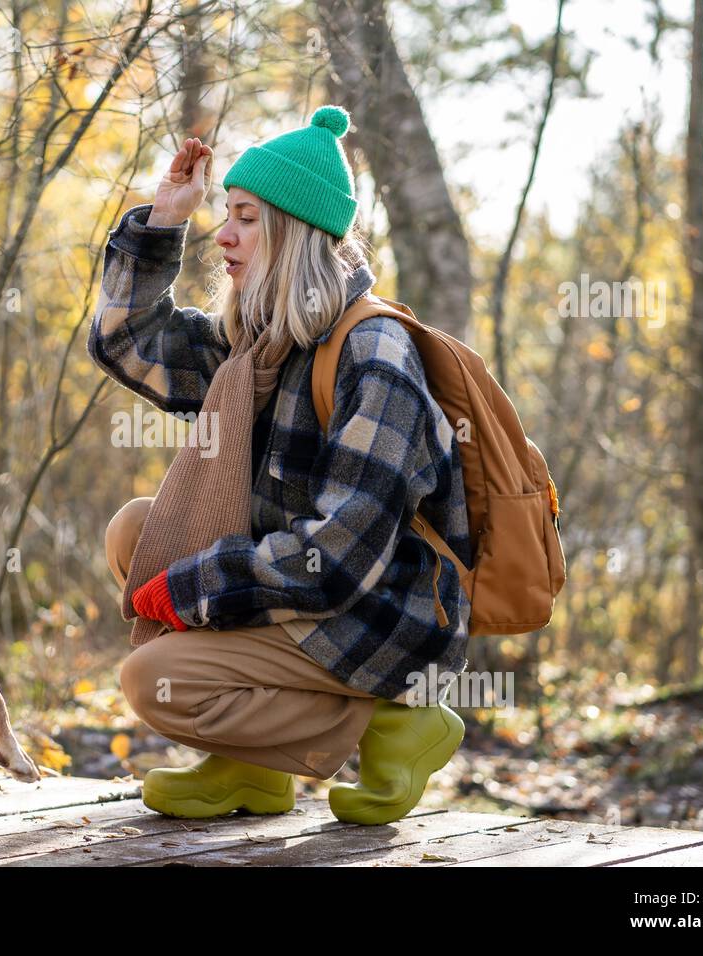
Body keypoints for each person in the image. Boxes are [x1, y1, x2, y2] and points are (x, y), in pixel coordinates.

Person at [87, 106, 471, 825]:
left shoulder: (374, 357)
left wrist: (198, 586)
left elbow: (338, 557)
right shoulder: (257, 346)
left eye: (245, 218)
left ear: (294, 233)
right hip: (310, 597)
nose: (223, 235)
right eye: (225, 215)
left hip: (382, 617)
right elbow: (125, 340)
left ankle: (395, 724)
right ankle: (252, 774)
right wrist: (163, 220)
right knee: (136, 532)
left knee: (152, 679)